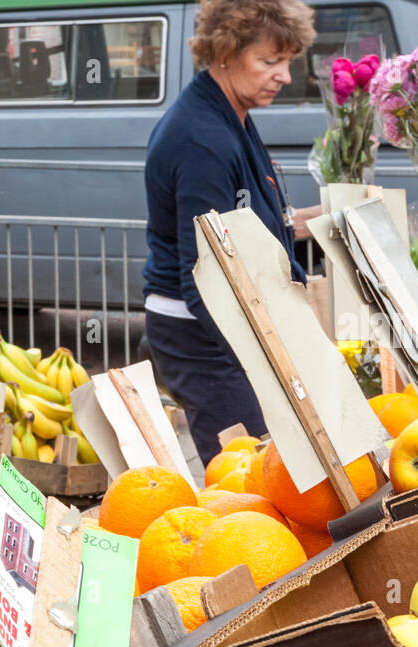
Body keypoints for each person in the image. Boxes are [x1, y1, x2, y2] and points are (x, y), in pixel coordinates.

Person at [141, 0, 320, 466]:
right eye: (269, 61)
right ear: (224, 52)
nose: (283, 75)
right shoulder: (203, 139)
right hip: (201, 335)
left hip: (224, 324)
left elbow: (248, 221)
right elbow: (203, 274)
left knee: (274, 466)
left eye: (287, 61)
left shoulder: (230, 113)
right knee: (253, 471)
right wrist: (264, 360)